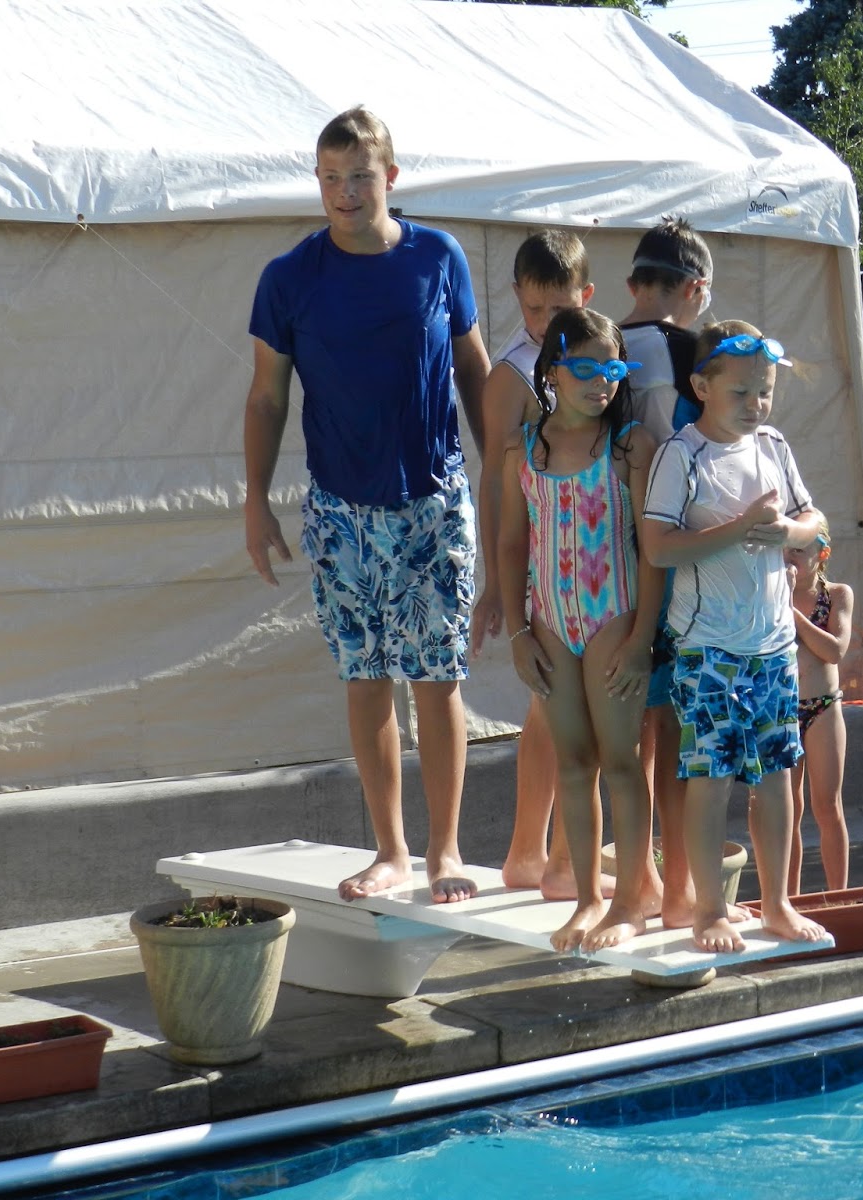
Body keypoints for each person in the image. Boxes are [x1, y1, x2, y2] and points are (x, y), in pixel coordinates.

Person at [242, 107, 490, 904]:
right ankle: (391, 850)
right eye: (330, 178)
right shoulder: (290, 276)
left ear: (391, 176)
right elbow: (265, 398)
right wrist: (254, 500)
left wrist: (503, 473)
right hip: (339, 508)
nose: (345, 193)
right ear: (317, 183)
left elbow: (476, 374)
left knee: (438, 675)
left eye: (360, 176)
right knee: (366, 675)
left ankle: (447, 850)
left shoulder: (437, 257)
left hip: (432, 499)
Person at [641, 319, 830, 954]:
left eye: (765, 392)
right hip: (708, 646)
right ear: (702, 385)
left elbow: (815, 519)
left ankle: (775, 903)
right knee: (712, 778)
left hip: (772, 644)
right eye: (741, 393)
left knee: (777, 777)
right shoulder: (682, 454)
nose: (756, 406)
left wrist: (791, 536)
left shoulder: (773, 445)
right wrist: (743, 528)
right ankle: (709, 911)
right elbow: (658, 546)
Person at [498, 307, 663, 952]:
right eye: (587, 368)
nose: (603, 383)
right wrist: (518, 633)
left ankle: (629, 901)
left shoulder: (628, 449)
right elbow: (512, 544)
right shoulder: (524, 447)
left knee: (621, 762)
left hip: (612, 617)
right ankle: (589, 897)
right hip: (549, 622)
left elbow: (651, 553)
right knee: (573, 762)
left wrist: (642, 639)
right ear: (551, 372)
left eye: (614, 369)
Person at [470, 231, 598, 898]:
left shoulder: (600, 367)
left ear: (586, 298)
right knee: (557, 699)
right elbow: (494, 481)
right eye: (532, 310)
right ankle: (542, 854)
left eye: (557, 310)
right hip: (547, 558)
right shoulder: (512, 374)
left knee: (569, 702)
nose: (543, 324)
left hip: (597, 558)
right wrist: (499, 582)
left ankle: (545, 852)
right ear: (517, 298)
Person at [618, 217, 715, 929]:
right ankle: (680, 890)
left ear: (632, 285)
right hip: (676, 568)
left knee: (618, 744)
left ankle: (628, 880)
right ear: (695, 289)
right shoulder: (688, 355)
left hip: (594, 570)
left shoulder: (590, 343)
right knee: (677, 736)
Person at [784, 517, 854, 894]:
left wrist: (793, 614)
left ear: (821, 553)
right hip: (784, 708)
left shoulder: (837, 594)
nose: (790, 556)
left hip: (824, 706)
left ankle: (839, 895)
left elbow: (834, 650)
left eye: (799, 548)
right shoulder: (772, 592)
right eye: (787, 547)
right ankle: (789, 900)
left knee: (827, 807)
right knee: (787, 812)